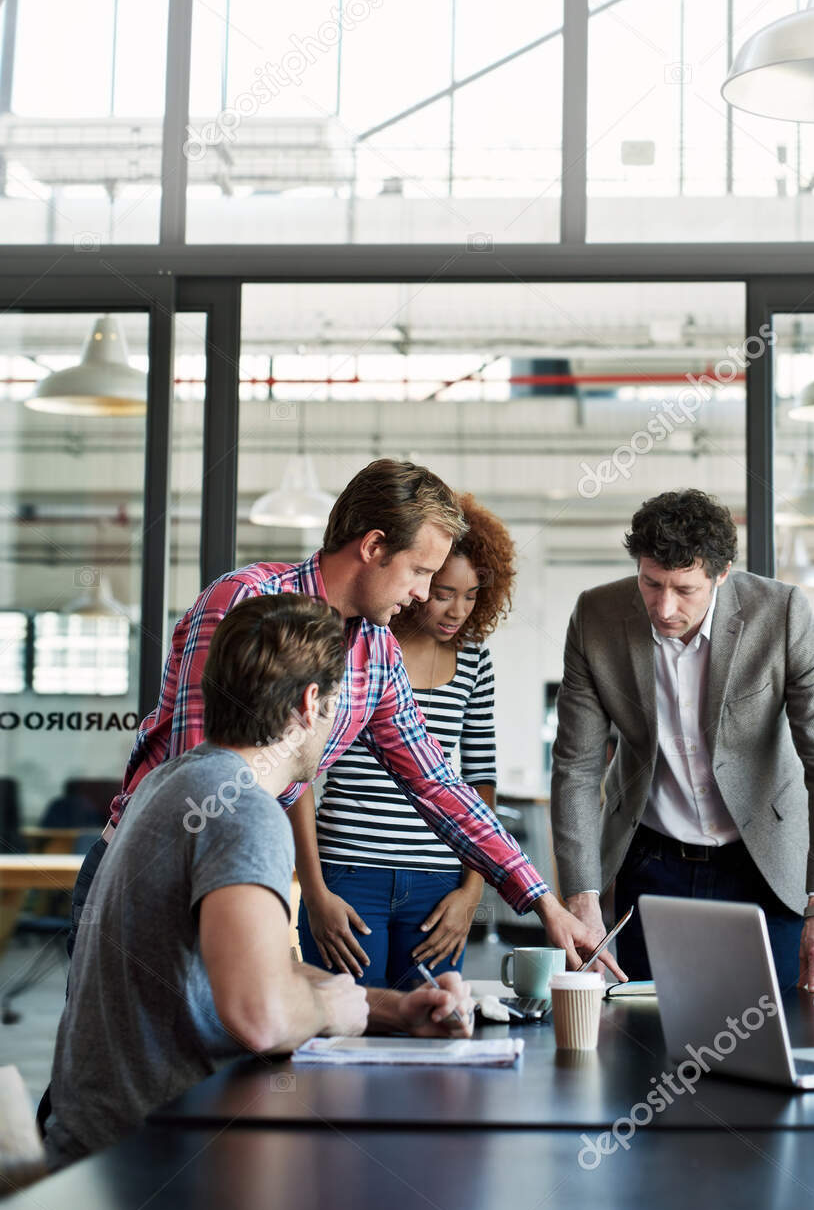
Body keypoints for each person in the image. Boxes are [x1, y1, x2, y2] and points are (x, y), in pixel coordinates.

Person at [62, 459, 618, 977]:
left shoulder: (376, 652)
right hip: (149, 873)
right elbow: (200, 774)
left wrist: (543, 901)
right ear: (374, 546)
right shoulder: (246, 600)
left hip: (238, 881)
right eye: (420, 571)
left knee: (224, 1075)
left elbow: (436, 783)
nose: (425, 593)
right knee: (111, 1074)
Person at [43, 595, 475, 1168]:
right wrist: (327, 1014)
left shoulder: (175, 780)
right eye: (338, 706)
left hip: (107, 1144)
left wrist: (391, 1010)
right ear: (308, 703)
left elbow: (252, 964)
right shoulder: (244, 810)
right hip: (151, 1166)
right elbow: (260, 1014)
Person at [550, 488, 814, 994]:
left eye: (684, 589)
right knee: (648, 1039)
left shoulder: (781, 614)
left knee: (775, 1032)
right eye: (651, 583)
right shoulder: (596, 617)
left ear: (722, 573)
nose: (665, 606)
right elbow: (576, 767)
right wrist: (581, 895)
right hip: (651, 863)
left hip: (764, 863)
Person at [295, 495, 514, 984]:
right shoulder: (357, 645)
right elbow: (299, 773)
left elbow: (476, 781)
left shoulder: (475, 662)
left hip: (438, 886)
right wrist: (313, 890)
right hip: (348, 873)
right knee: (343, 1032)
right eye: (442, 591)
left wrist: (471, 893)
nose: (458, 610)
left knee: (435, 1029)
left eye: (473, 594)